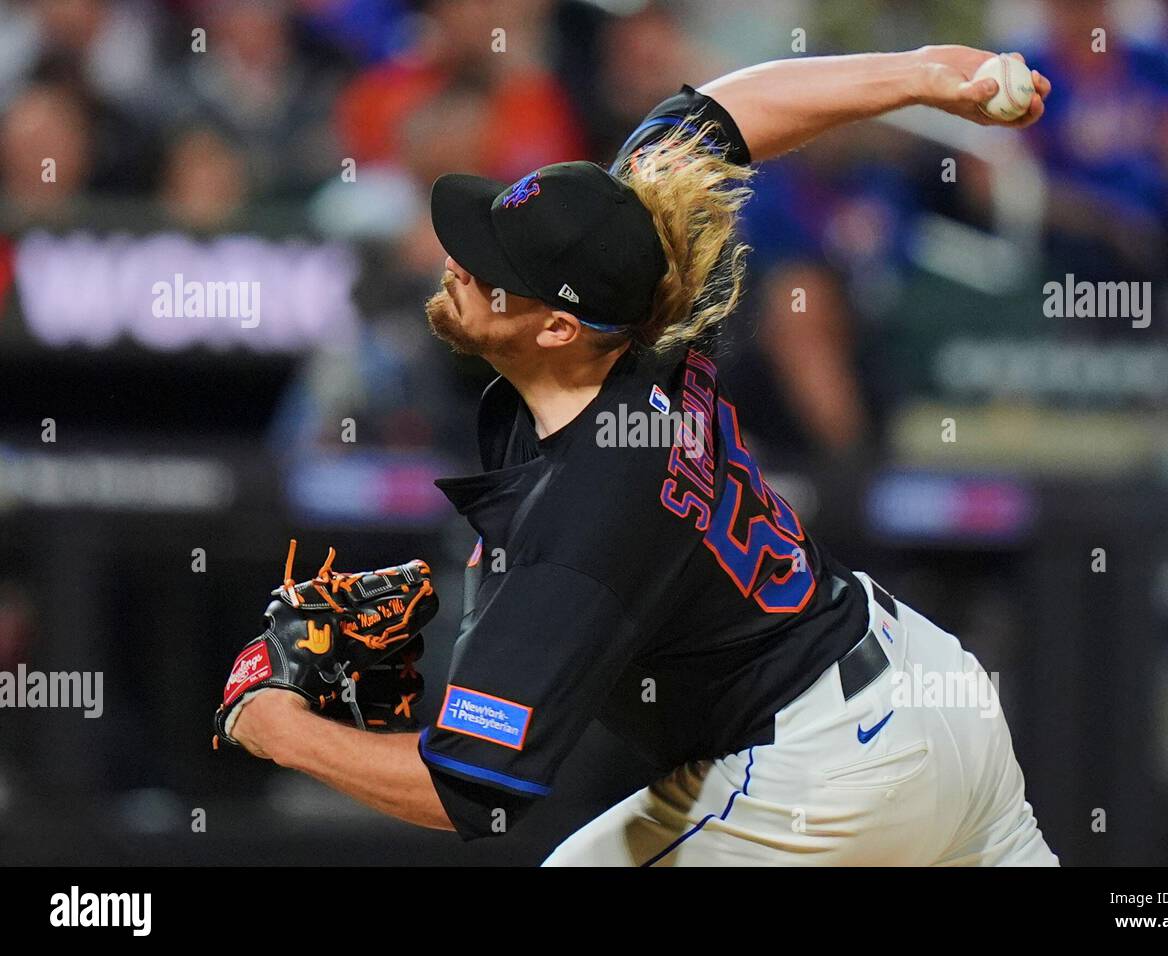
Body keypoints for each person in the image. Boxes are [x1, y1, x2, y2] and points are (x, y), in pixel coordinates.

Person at [229, 44, 1060, 866]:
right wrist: (921, 75)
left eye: (488, 267)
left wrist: (275, 725)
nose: (455, 262)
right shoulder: (632, 280)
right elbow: (729, 115)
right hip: (933, 690)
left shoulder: (584, 509)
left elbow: (468, 790)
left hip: (831, 769)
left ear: (557, 327)